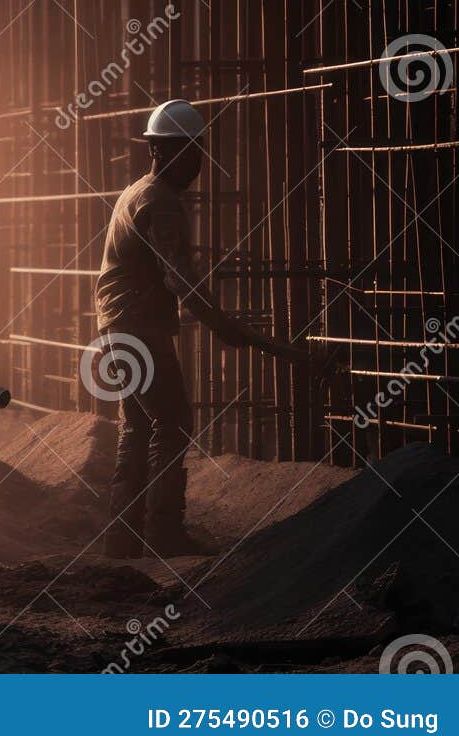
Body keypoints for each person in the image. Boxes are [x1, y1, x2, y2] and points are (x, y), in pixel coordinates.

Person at [96, 99, 319, 559]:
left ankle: (122, 539)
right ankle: (163, 533)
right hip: (138, 328)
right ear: (162, 152)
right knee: (173, 422)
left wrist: (221, 323)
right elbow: (180, 277)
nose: (199, 162)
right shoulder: (160, 202)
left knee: (138, 426)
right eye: (191, 152)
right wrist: (222, 325)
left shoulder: (135, 191)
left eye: (199, 151)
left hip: (117, 326)